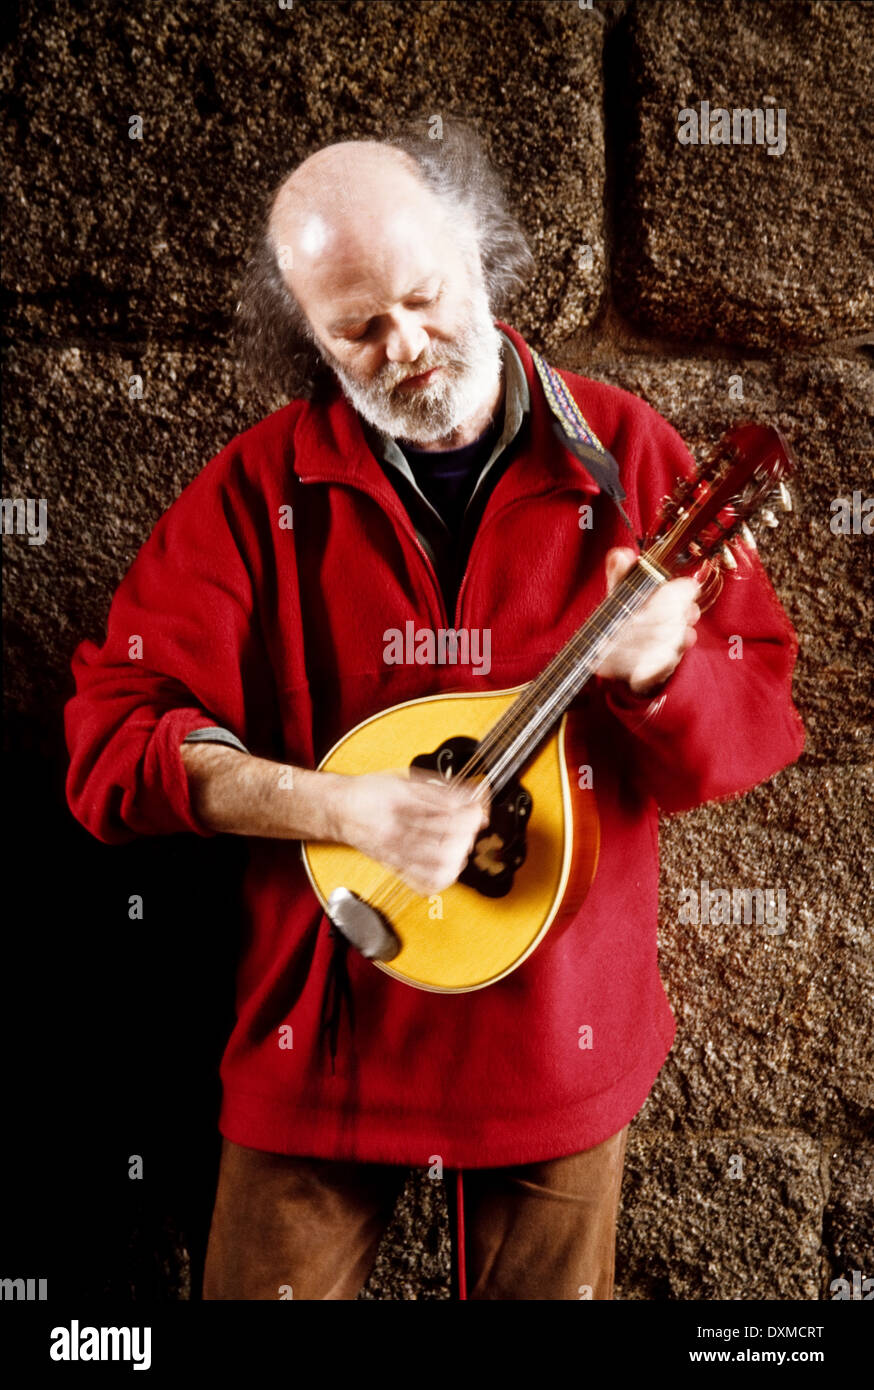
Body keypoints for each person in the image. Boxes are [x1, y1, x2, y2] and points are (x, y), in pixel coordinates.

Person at [64, 120, 805, 1301]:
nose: (405, 345)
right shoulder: (257, 489)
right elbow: (109, 738)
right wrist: (331, 804)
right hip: (323, 1033)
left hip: (556, 1031)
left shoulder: (623, 454)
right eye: (357, 327)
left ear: (479, 252)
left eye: (427, 296)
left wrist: (667, 672)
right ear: (306, 333)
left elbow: (758, 721)